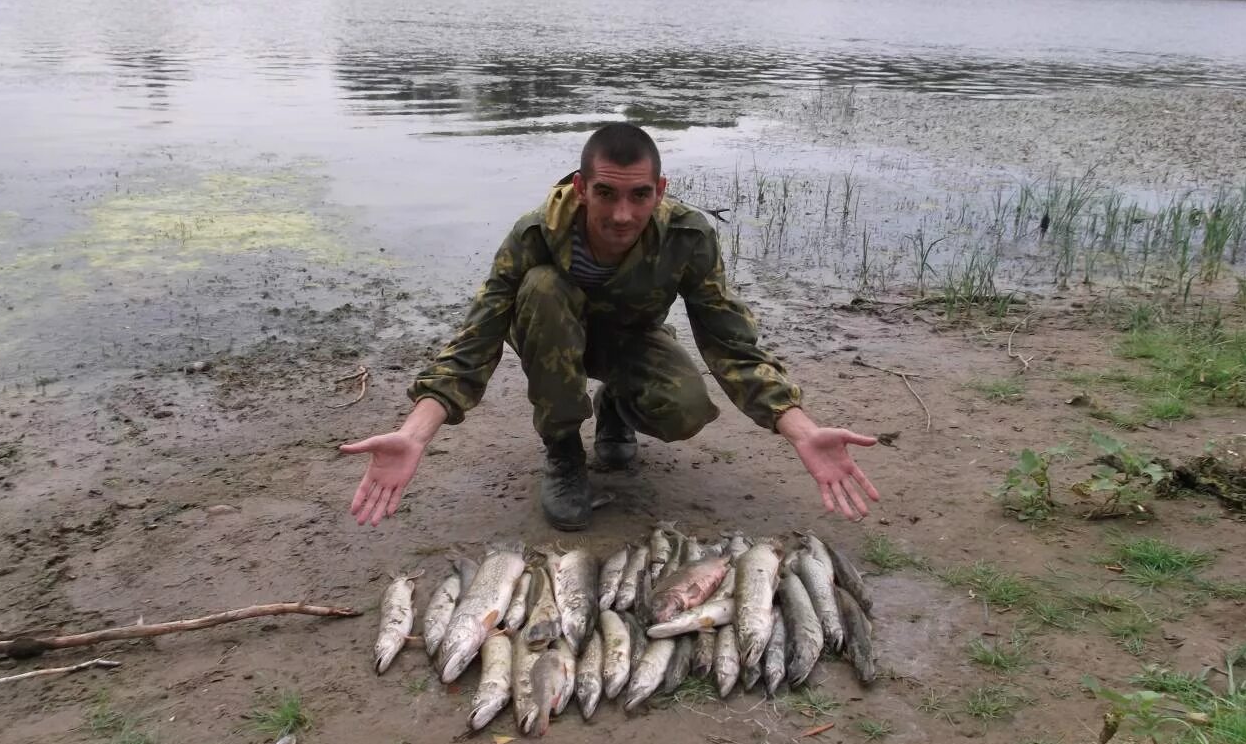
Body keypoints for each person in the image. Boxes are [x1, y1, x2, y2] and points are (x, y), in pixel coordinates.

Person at [341, 122, 879, 531]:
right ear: (581, 187)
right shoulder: (533, 235)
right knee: (544, 289)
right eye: (607, 193)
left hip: (630, 340)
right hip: (553, 340)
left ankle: (616, 408)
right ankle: (564, 450)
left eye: (639, 195)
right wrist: (415, 433)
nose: (622, 215)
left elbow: (730, 342)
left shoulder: (688, 237)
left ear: (659, 189)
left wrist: (802, 429)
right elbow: (475, 341)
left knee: (686, 408)